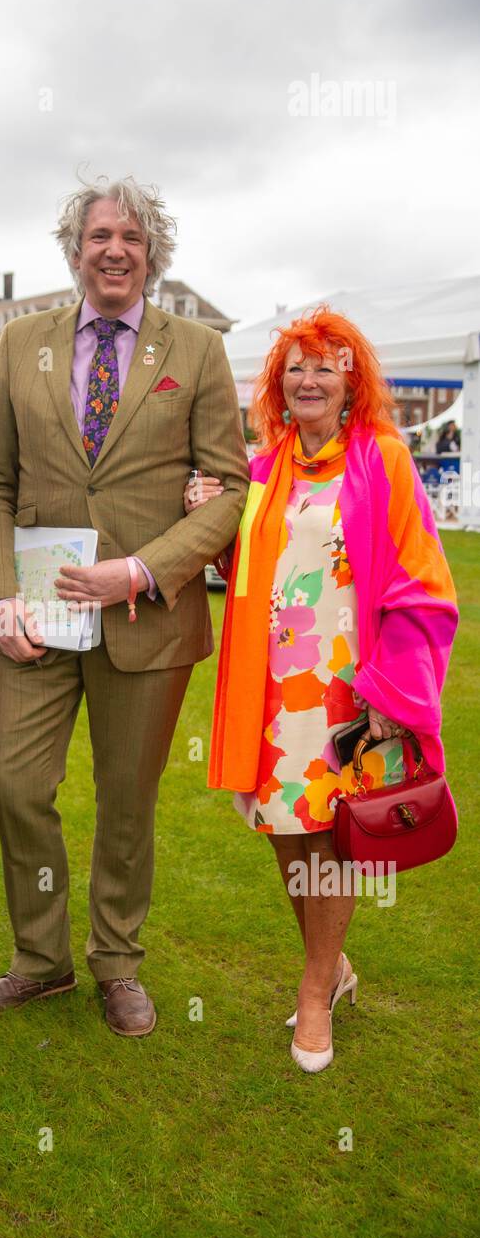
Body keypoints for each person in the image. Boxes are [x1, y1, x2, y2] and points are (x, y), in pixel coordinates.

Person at [0, 176, 249, 1036]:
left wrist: (142, 572)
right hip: (38, 621)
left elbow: (229, 487)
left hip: (146, 619)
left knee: (127, 800)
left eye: (130, 236)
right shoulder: (21, 344)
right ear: (74, 251)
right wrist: (1, 599)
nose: (114, 249)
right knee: (14, 784)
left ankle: (117, 963)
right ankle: (39, 963)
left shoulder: (196, 349)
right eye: (98, 236)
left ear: (151, 253)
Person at [203, 307, 458, 1073]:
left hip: (354, 687)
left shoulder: (381, 457)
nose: (310, 377)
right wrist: (216, 530)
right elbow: (249, 574)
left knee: (336, 839)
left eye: (327, 365)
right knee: (289, 833)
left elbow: (424, 582)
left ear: (353, 383)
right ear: (278, 383)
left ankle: (316, 995)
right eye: (297, 365)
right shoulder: (265, 468)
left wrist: (394, 688)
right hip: (278, 690)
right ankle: (336, 967)